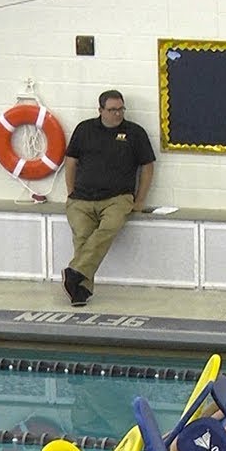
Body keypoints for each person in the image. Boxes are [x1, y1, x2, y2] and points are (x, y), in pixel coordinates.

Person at [61, 89, 157, 307]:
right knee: (83, 236)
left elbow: (148, 166)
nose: (117, 114)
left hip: (118, 198)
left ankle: (74, 272)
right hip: (82, 198)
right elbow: (70, 161)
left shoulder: (135, 133)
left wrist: (140, 200)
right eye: (112, 110)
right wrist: (70, 193)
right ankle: (81, 289)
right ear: (101, 110)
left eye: (121, 109)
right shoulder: (84, 129)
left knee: (108, 229)